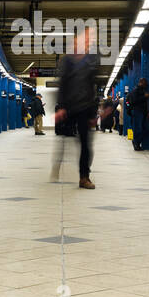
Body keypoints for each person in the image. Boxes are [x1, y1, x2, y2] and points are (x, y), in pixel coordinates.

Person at [52, 26, 99, 189]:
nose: (88, 41)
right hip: (70, 107)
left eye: (91, 38)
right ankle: (57, 164)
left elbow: (93, 86)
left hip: (85, 107)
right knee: (63, 136)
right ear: (77, 39)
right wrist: (61, 108)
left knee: (86, 144)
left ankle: (84, 177)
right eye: (86, 37)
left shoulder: (92, 59)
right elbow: (62, 83)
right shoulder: (67, 60)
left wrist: (94, 113)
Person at [130, 77, 149, 151]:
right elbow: (134, 101)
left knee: (146, 129)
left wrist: (147, 111)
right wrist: (144, 97)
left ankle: (137, 142)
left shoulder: (143, 90)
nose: (146, 85)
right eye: (145, 83)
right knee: (138, 128)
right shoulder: (135, 90)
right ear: (141, 82)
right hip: (137, 111)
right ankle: (136, 143)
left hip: (143, 112)